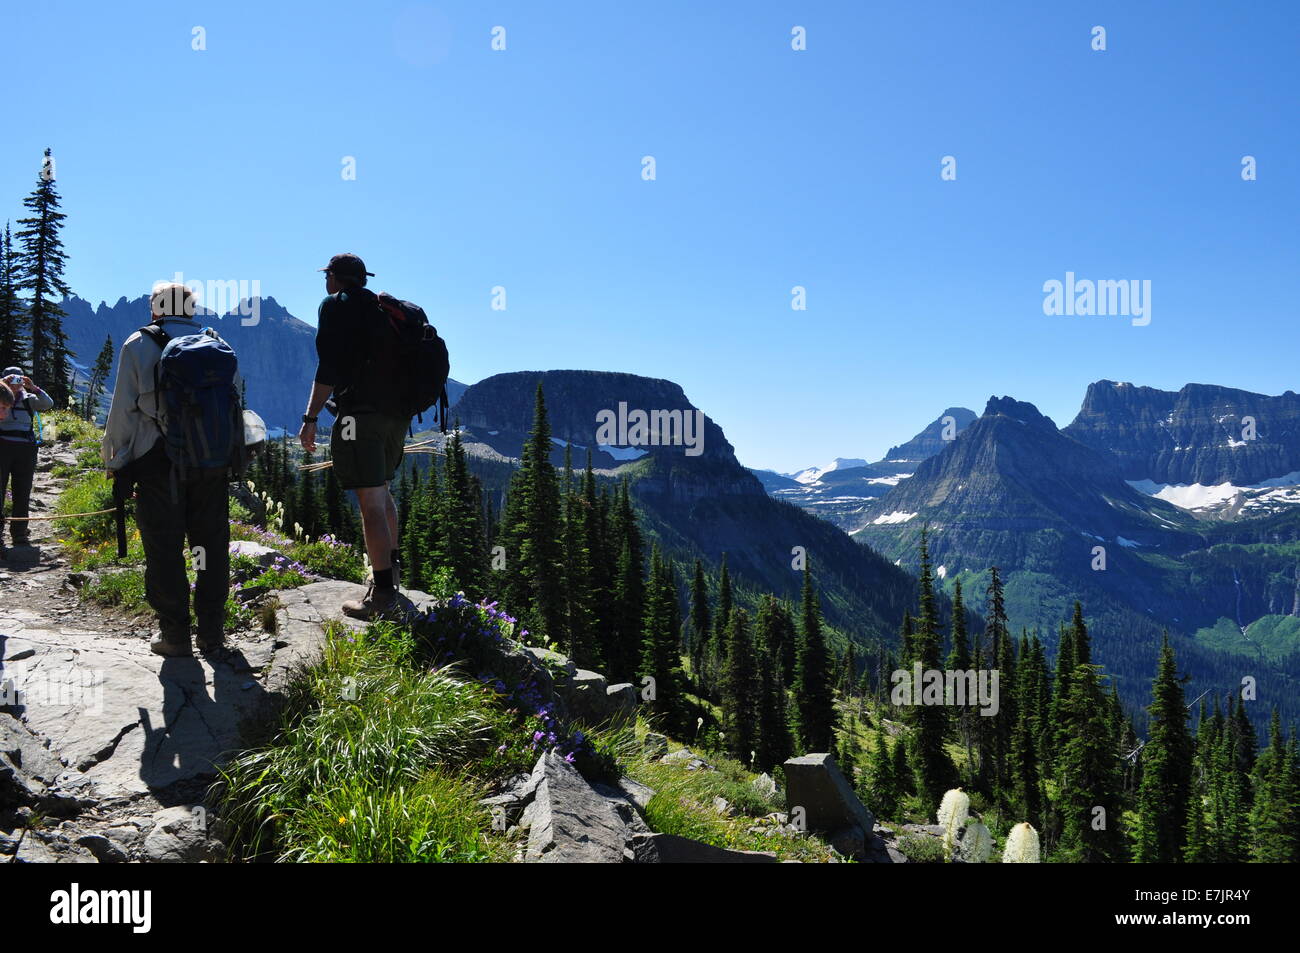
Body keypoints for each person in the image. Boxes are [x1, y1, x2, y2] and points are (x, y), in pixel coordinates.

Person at [102, 282, 243, 657]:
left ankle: (175, 635)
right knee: (209, 546)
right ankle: (212, 633)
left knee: (164, 548)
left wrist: (114, 460)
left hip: (158, 464)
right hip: (211, 464)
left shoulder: (138, 344)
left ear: (155, 309)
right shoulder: (215, 343)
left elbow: (123, 411)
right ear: (191, 310)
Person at [298, 253, 405, 620]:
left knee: (369, 503)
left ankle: (382, 598)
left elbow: (328, 366)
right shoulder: (382, 309)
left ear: (334, 278)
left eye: (326, 276)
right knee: (383, 493)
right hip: (396, 415)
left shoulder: (335, 306)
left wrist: (310, 417)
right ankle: (392, 579)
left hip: (360, 416)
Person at [0, 366, 54, 551]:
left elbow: (48, 404)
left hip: (25, 448)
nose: (15, 384)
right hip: (3, 446)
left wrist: (34, 387)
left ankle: (19, 533)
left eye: (18, 380)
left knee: (22, 491)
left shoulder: (30, 399)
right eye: (10, 380)